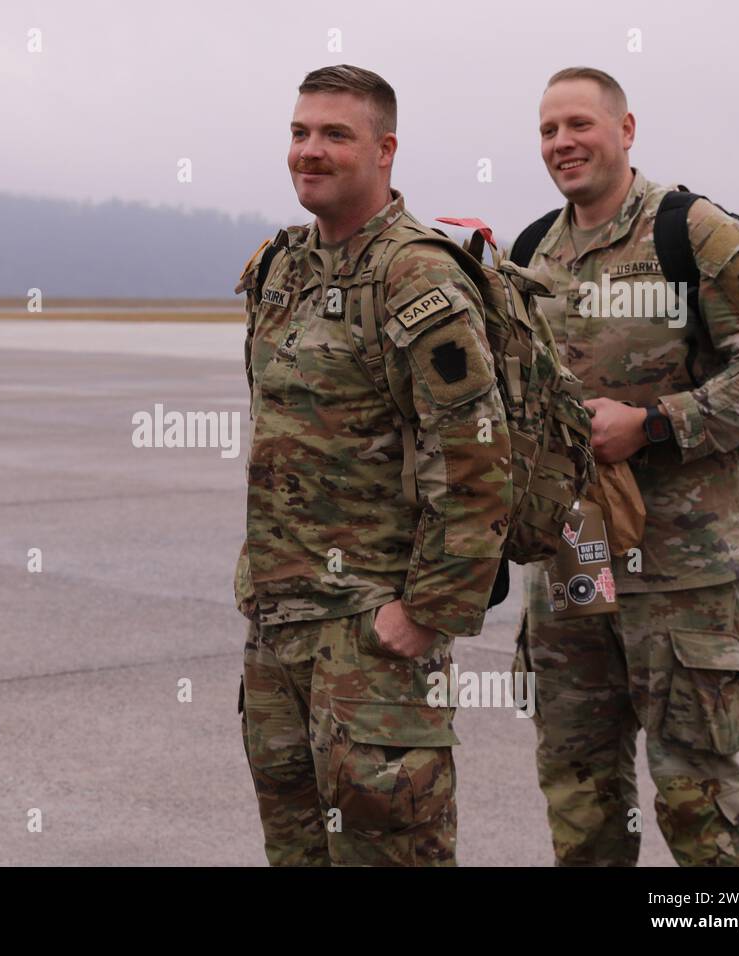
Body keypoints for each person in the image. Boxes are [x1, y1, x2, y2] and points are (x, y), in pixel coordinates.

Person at [513, 67, 739, 866]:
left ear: (626, 129)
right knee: (578, 782)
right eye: (547, 131)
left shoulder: (694, 231)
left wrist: (652, 426)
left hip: (681, 568)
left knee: (696, 789)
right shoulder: (533, 249)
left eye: (580, 124)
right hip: (574, 559)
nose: (562, 143)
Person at [235, 65, 512, 866]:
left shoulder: (415, 276)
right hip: (278, 629)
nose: (309, 152)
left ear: (385, 150)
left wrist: (425, 611)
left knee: (390, 855)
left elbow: (475, 461)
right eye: (299, 133)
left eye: (334, 135)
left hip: (372, 636)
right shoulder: (278, 271)